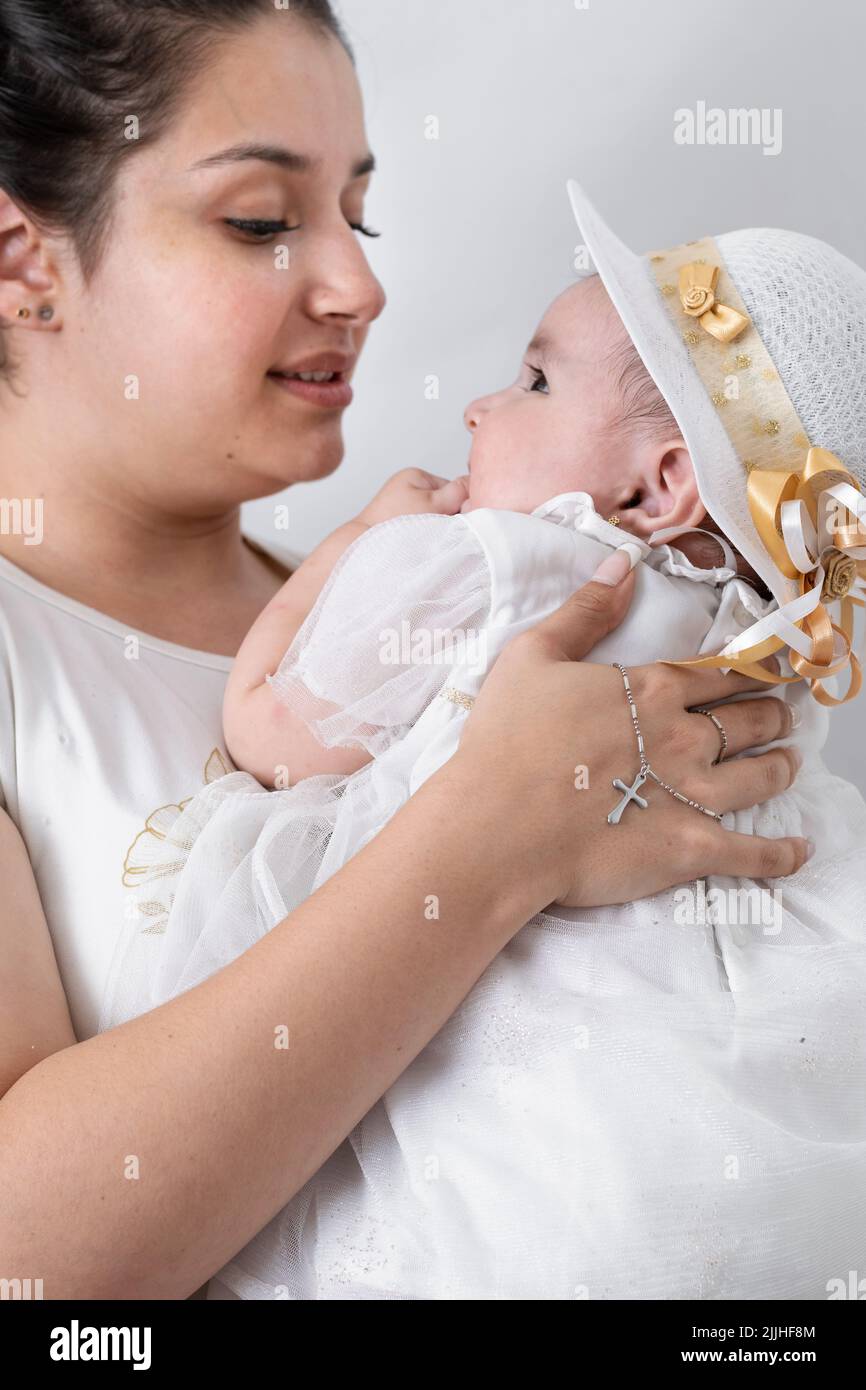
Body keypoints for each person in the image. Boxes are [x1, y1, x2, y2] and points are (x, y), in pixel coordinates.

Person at [0, 1, 808, 1300]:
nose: (361, 285)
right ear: (21, 263)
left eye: (357, 214)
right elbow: (21, 1260)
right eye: (261, 221)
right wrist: (496, 830)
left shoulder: (432, 613)